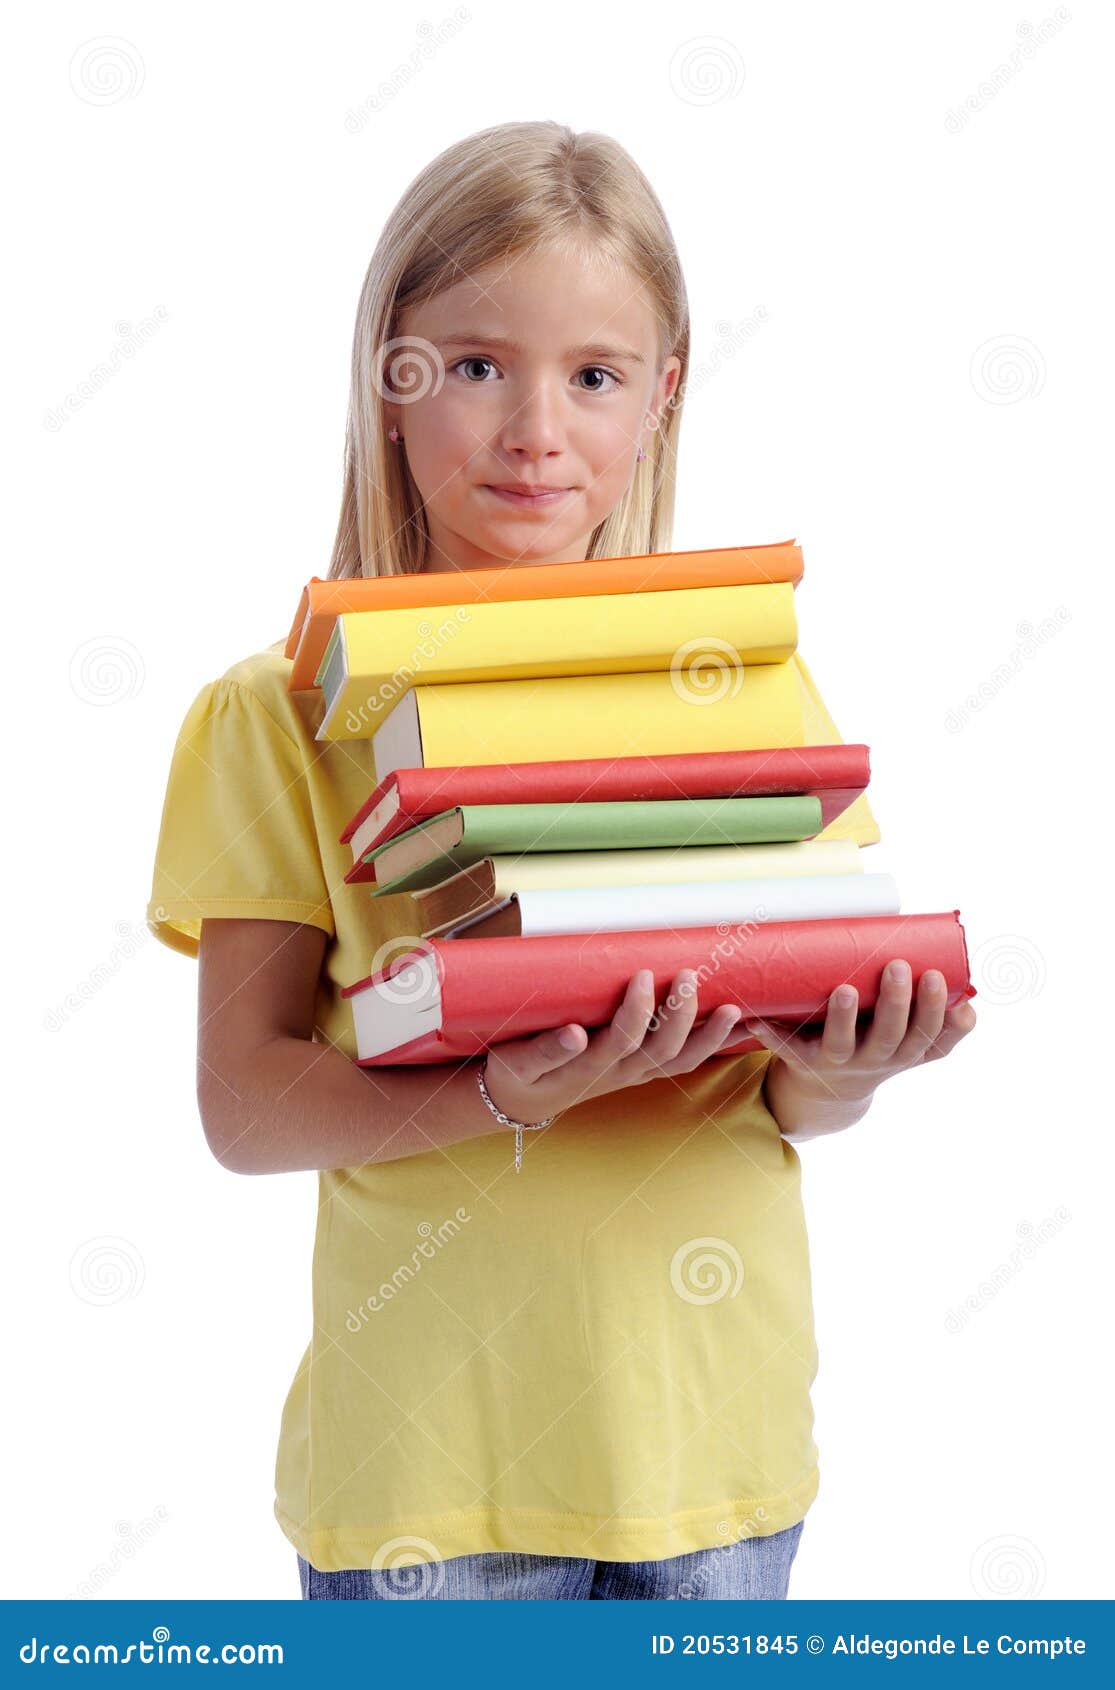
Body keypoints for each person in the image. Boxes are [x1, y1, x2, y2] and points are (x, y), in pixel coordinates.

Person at [146, 120, 976, 1602]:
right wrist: (493, 1095)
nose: (537, 429)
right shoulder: (278, 714)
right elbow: (246, 1108)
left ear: (662, 396)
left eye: (595, 375)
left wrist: (852, 1065)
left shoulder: (746, 680)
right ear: (389, 382)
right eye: (475, 364)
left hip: (713, 1453)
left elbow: (785, 1090)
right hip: (432, 1481)